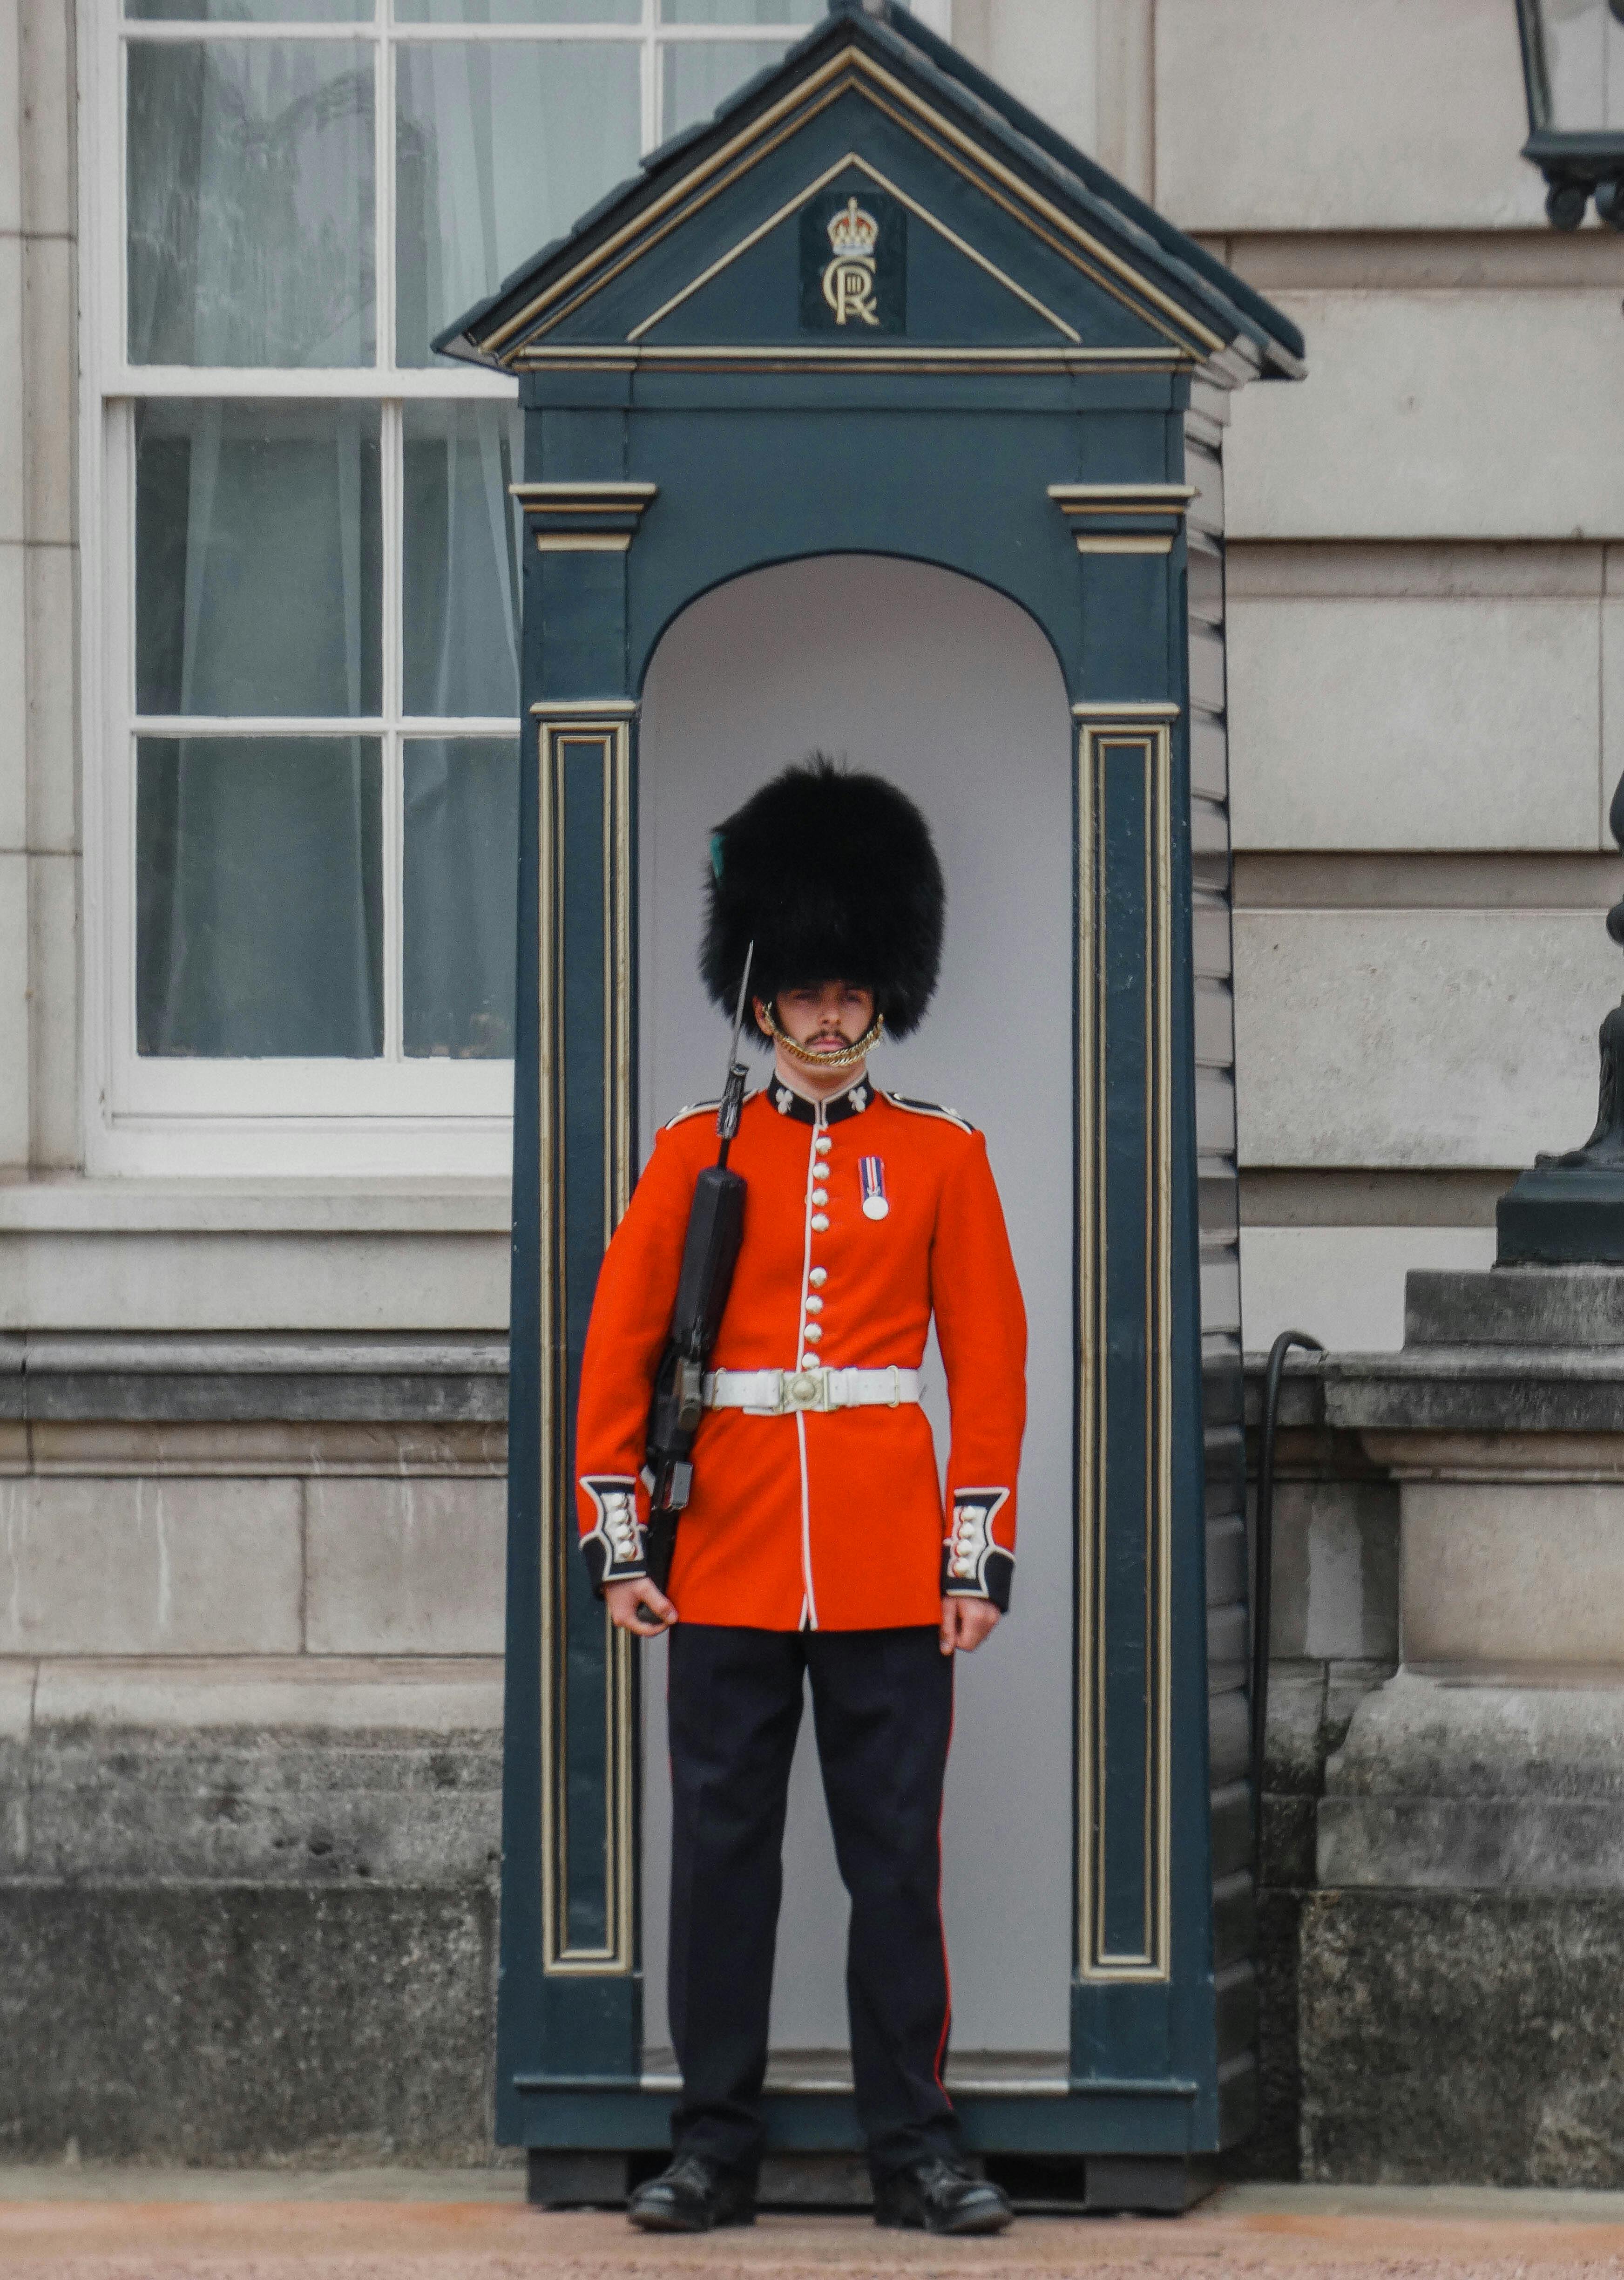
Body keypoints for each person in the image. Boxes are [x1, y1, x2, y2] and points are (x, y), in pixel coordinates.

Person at [573, 755, 1027, 2236]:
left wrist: (976, 1555)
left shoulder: (943, 1156)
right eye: (808, 993)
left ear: (884, 994)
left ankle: (918, 2151)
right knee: (721, 1867)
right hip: (733, 1557)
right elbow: (619, 1348)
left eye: (854, 994)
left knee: (895, 1865)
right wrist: (621, 1539)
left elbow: (992, 1369)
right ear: (761, 998)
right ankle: (714, 2146)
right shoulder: (692, 1155)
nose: (833, 1019)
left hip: (892, 1560)